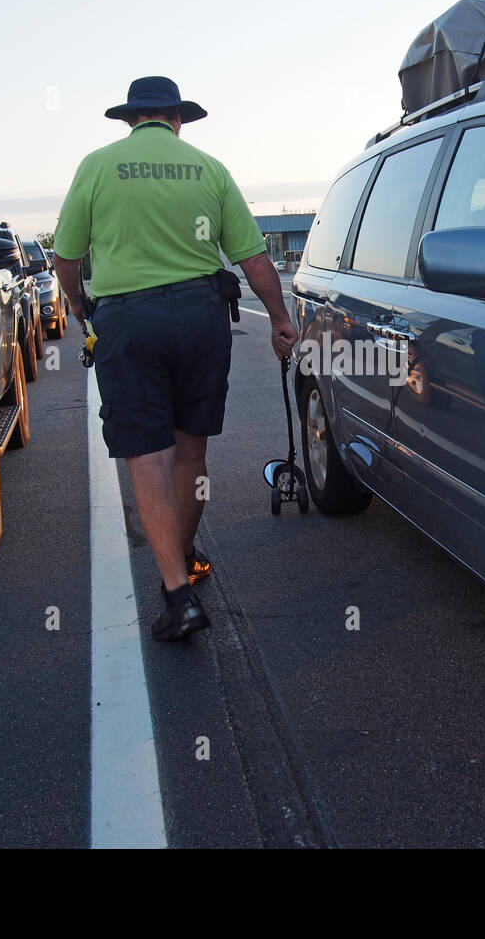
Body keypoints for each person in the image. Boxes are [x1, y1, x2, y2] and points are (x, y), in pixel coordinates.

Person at [53, 76, 298, 642]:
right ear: (178, 119)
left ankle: (178, 597)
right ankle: (185, 558)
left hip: (129, 322)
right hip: (200, 318)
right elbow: (254, 258)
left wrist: (80, 307)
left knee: (148, 457)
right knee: (190, 452)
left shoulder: (97, 165)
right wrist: (280, 320)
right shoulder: (208, 168)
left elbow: (66, 257)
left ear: (129, 120)